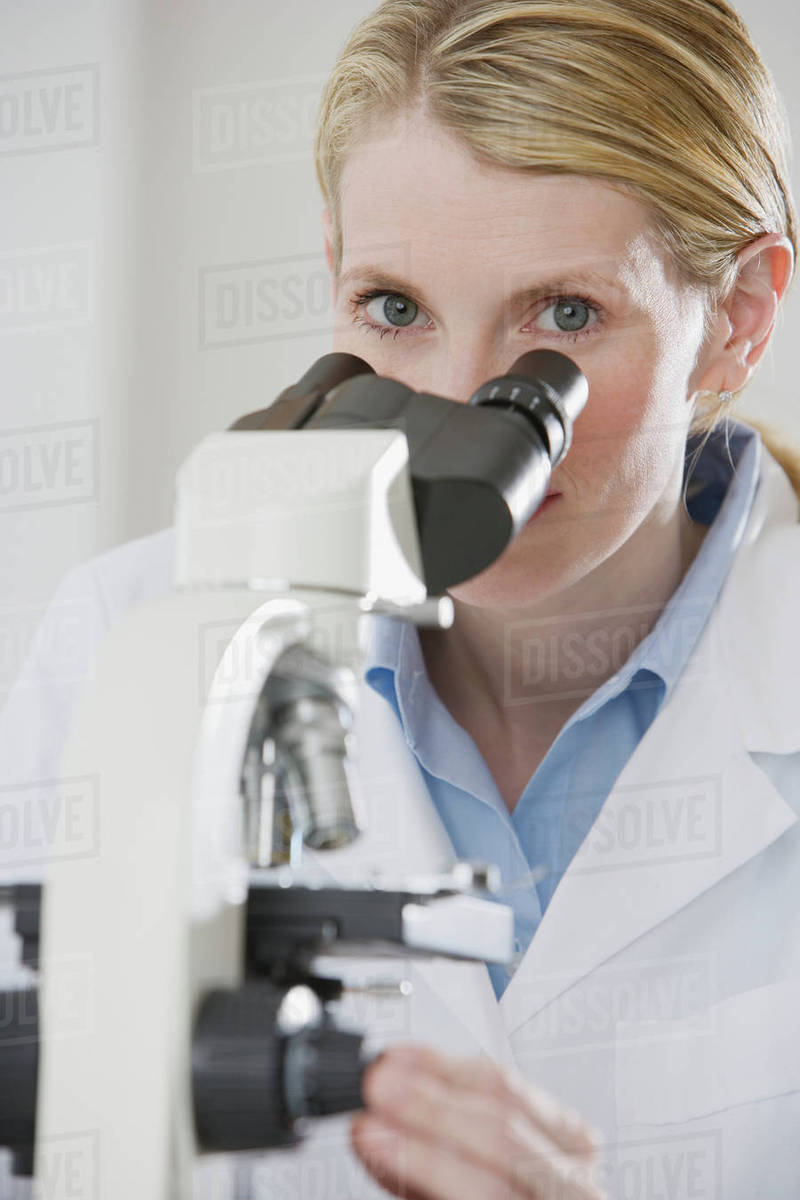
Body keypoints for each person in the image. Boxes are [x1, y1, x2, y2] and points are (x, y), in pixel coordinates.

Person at [1, 0, 798, 1197]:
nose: (454, 407)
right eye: (393, 309)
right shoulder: (130, 636)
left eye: (564, 318)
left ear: (735, 322)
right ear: (332, 271)